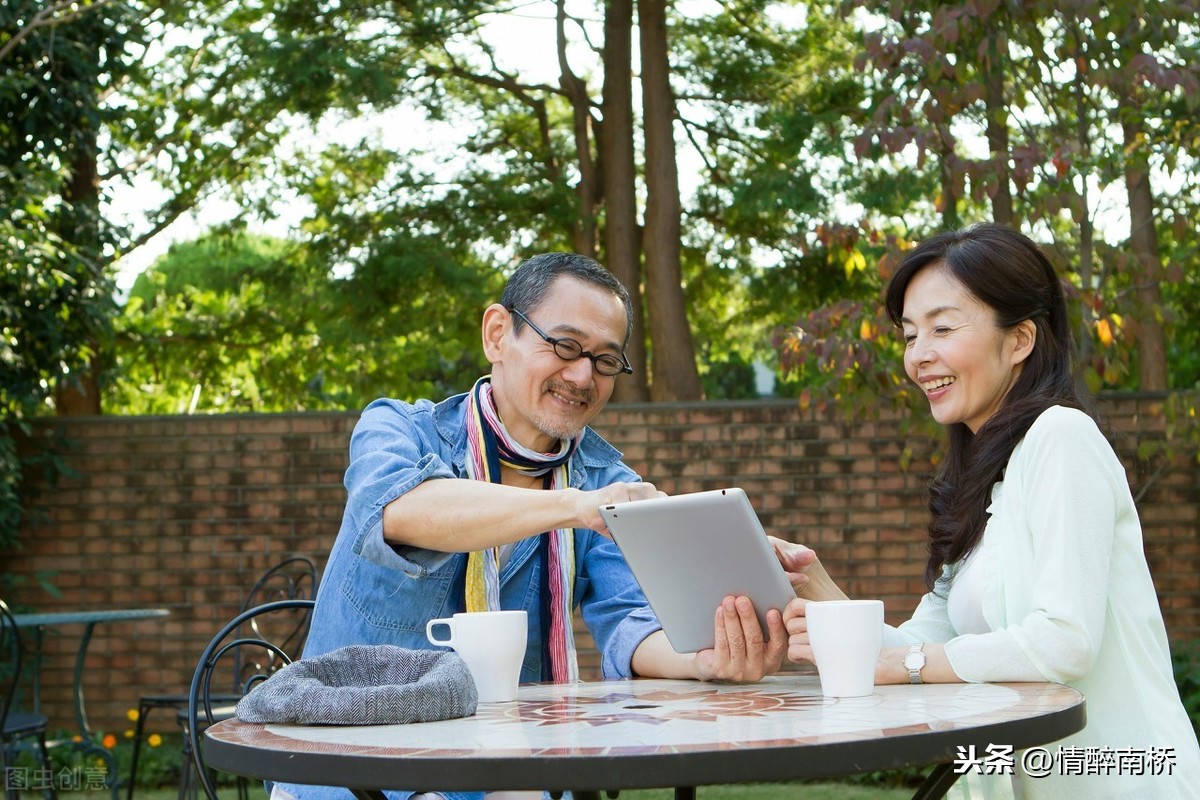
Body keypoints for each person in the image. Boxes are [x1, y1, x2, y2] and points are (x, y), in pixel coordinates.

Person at [277, 252, 788, 800]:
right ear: (498, 334)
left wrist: (704, 656)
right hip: (359, 770)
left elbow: (632, 623)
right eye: (565, 346)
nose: (583, 375)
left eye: (606, 360)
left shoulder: (604, 479)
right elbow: (403, 512)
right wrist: (574, 506)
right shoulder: (399, 430)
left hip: (509, 769)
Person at [778, 224, 1200, 798]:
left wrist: (910, 665)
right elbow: (911, 649)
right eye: (908, 335)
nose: (919, 356)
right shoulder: (979, 478)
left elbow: (1064, 640)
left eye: (942, 328)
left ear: (1020, 338)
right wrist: (814, 584)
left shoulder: (1062, 436)